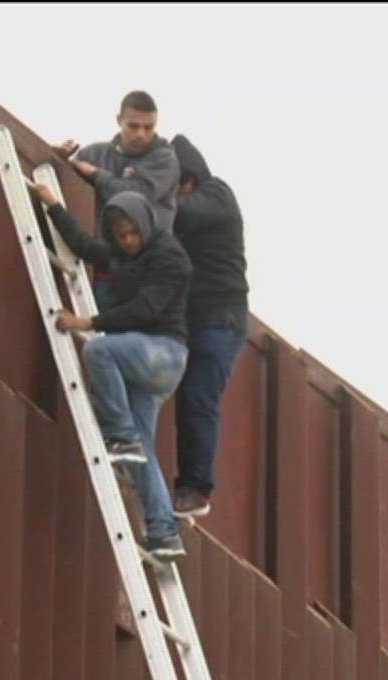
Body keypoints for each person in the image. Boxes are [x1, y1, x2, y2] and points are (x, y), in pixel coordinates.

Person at [27, 181, 193, 562]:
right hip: (138, 361)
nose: (130, 241)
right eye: (121, 236)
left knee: (99, 350)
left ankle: (120, 435)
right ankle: (164, 531)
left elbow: (148, 310)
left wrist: (88, 322)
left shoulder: (170, 257)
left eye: (134, 232)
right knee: (142, 454)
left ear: (147, 225)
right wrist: (53, 205)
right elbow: (85, 246)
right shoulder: (121, 254)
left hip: (164, 355)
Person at [167, 135, 250, 520]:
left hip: (221, 320)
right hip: (187, 319)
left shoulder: (217, 195)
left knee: (198, 397)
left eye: (182, 182)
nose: (179, 189)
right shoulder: (178, 210)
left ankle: (196, 488)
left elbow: (184, 212)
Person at [51, 90, 180, 311]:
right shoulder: (96, 154)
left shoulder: (164, 159)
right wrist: (59, 157)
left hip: (142, 276)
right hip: (102, 269)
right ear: (119, 120)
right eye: (133, 126)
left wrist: (96, 175)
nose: (141, 134)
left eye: (148, 127)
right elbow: (67, 170)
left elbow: (134, 198)